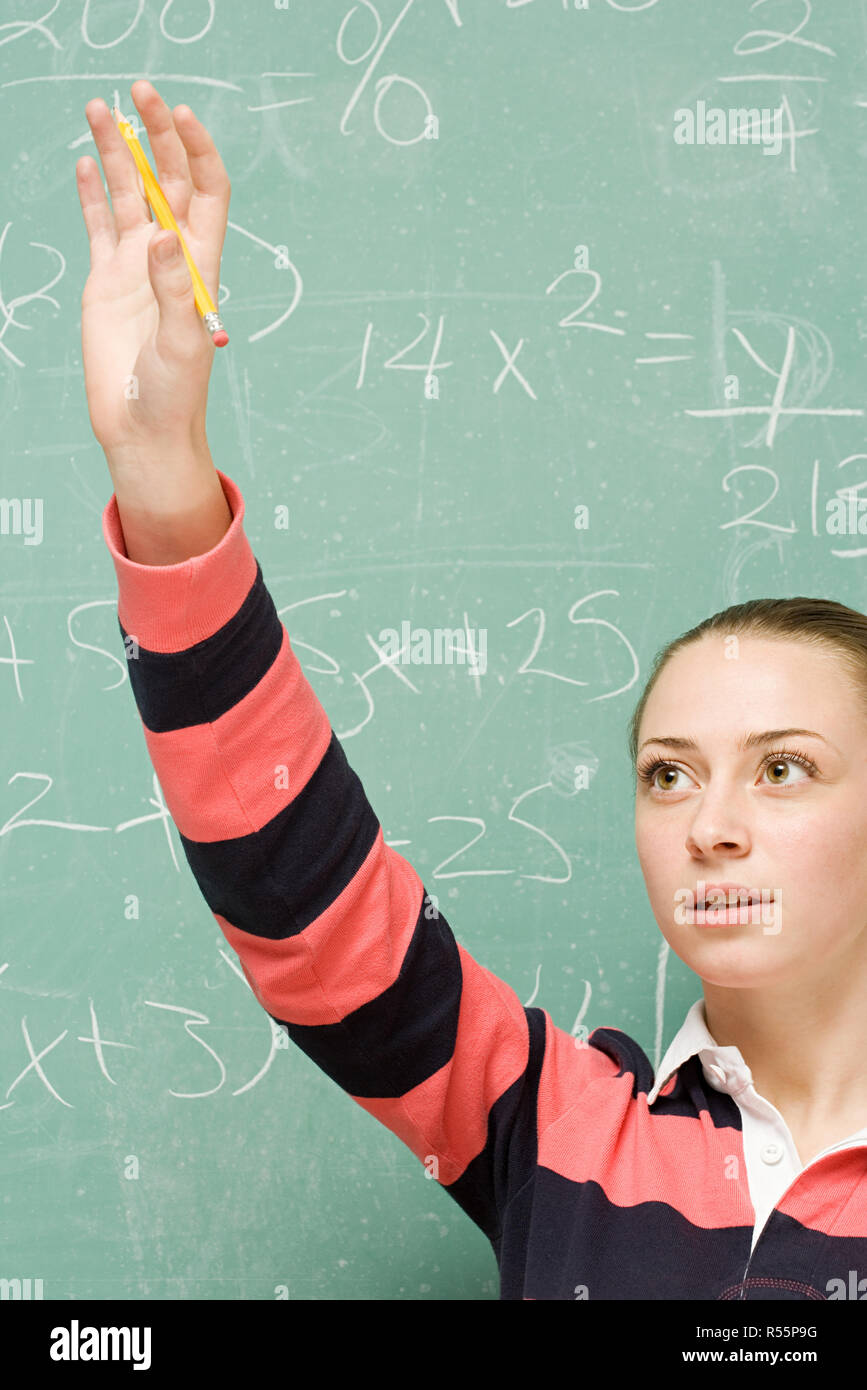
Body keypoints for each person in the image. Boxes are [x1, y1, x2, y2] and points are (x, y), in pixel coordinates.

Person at [77, 81, 867, 1301]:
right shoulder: (552, 1127)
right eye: (668, 774)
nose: (711, 824)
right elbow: (307, 907)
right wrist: (159, 465)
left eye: (786, 765)